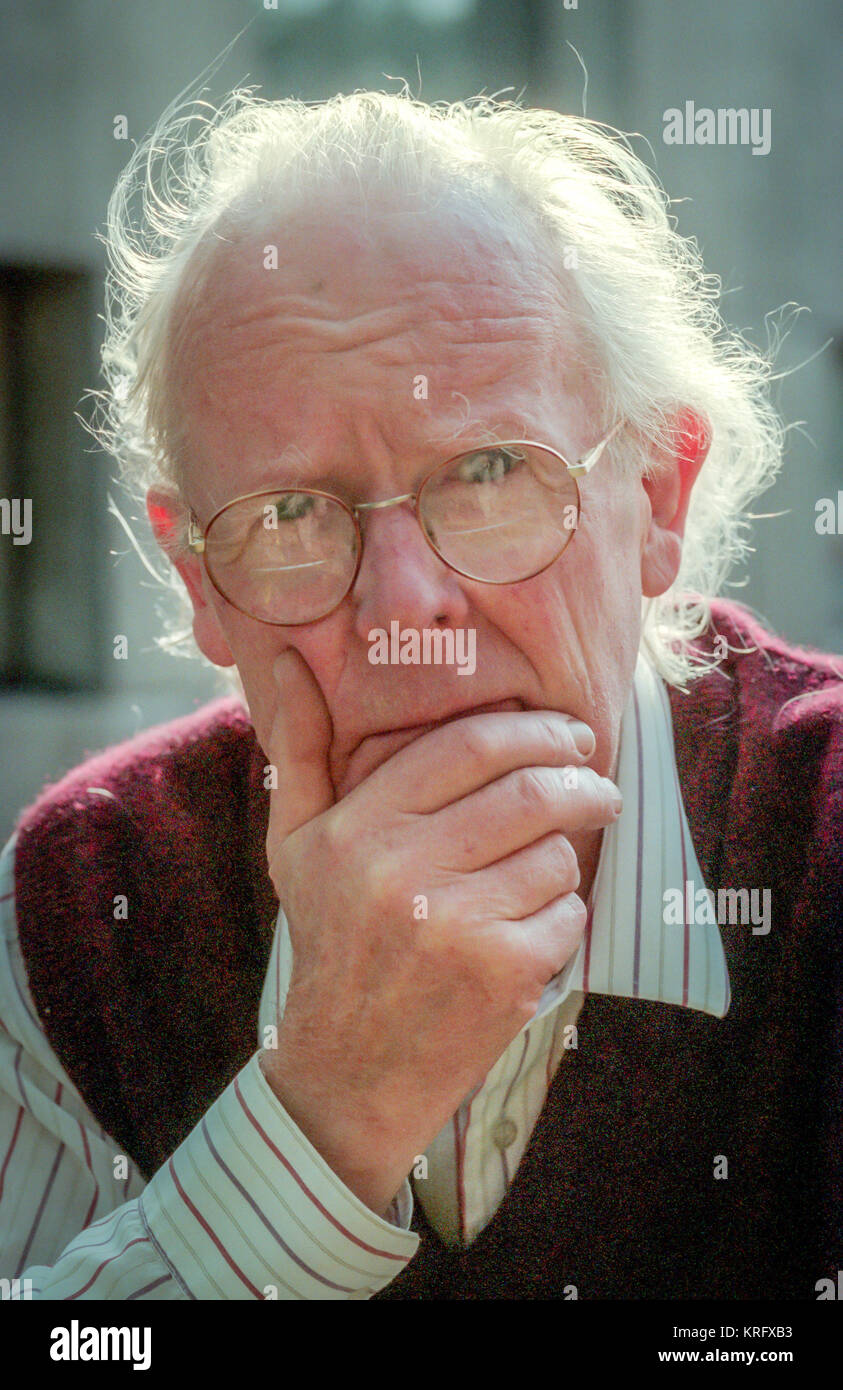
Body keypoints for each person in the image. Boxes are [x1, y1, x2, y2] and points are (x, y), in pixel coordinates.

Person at [0, 90, 840, 1301]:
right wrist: (326, 1115)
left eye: (490, 471)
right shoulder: (84, 902)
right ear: (200, 580)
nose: (405, 610)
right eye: (291, 513)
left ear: (658, 494)